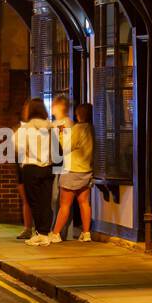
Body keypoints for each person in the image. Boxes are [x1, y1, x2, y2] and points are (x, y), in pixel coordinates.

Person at [42, 103, 94, 244]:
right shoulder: (92, 128)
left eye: (77, 114)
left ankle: (56, 233)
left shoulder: (77, 128)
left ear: (79, 114)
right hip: (86, 169)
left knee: (65, 204)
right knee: (84, 202)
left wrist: (59, 135)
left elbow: (66, 146)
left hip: (72, 169)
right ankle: (86, 233)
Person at [17, 99, 55, 244]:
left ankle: (39, 232)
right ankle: (45, 232)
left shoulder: (25, 129)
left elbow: (18, 147)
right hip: (47, 167)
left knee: (34, 201)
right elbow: (58, 148)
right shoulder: (50, 128)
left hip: (31, 167)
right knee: (45, 201)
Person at [49, 94, 73, 239]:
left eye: (54, 105)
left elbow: (67, 145)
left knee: (59, 198)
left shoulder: (67, 124)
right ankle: (57, 229)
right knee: (54, 198)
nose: (52, 107)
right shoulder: (54, 124)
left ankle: (60, 231)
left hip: (64, 163)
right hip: (56, 163)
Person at [13, 99, 37, 239]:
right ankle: (28, 228)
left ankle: (38, 229)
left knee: (35, 200)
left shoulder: (37, 128)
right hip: (22, 168)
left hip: (33, 166)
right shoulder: (21, 129)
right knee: (26, 200)